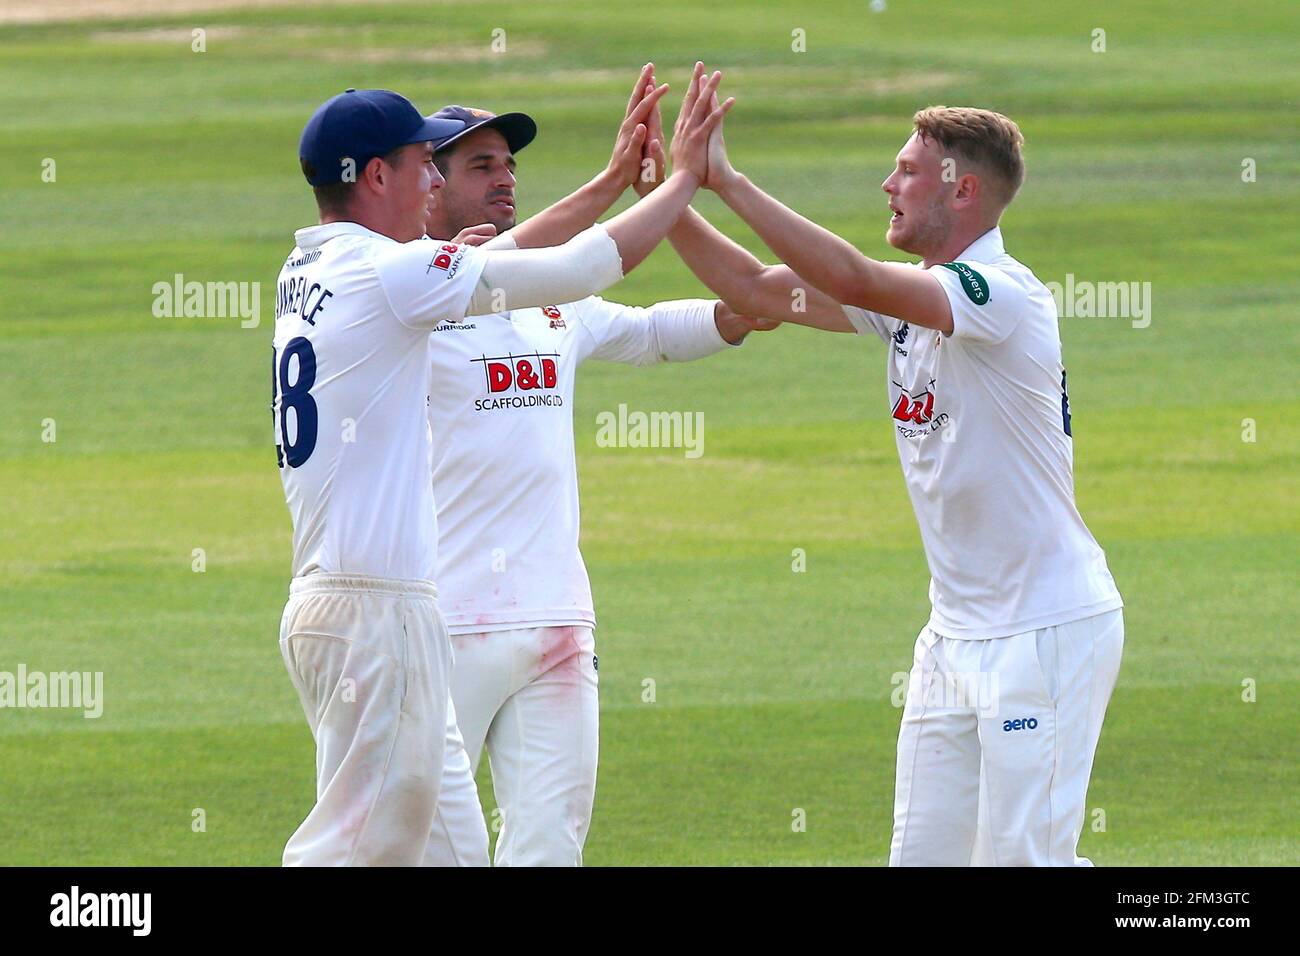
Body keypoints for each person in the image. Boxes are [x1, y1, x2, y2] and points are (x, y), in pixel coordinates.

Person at [665, 69, 1125, 866]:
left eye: (908, 171)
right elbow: (752, 289)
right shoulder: (911, 300)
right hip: (951, 637)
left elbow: (849, 277)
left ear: (965, 190)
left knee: (1024, 863)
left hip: (1043, 630)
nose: (888, 184)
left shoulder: (1000, 294)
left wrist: (728, 181)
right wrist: (667, 192)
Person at [273, 77, 731, 865]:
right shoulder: (395, 276)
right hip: (381, 610)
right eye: (426, 162)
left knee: (401, 847)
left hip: (349, 602)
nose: (431, 180)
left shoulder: (320, 271)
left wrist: (618, 180)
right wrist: (686, 176)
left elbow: (513, 262)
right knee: (356, 851)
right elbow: (582, 263)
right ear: (376, 176)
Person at [417, 64, 775, 867]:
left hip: (556, 623)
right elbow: (564, 255)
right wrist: (631, 179)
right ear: (425, 187)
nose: (505, 181)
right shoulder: (407, 296)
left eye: (510, 166)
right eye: (482, 167)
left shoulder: (549, 297)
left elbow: (642, 332)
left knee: (549, 852)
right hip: (444, 627)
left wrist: (731, 316)